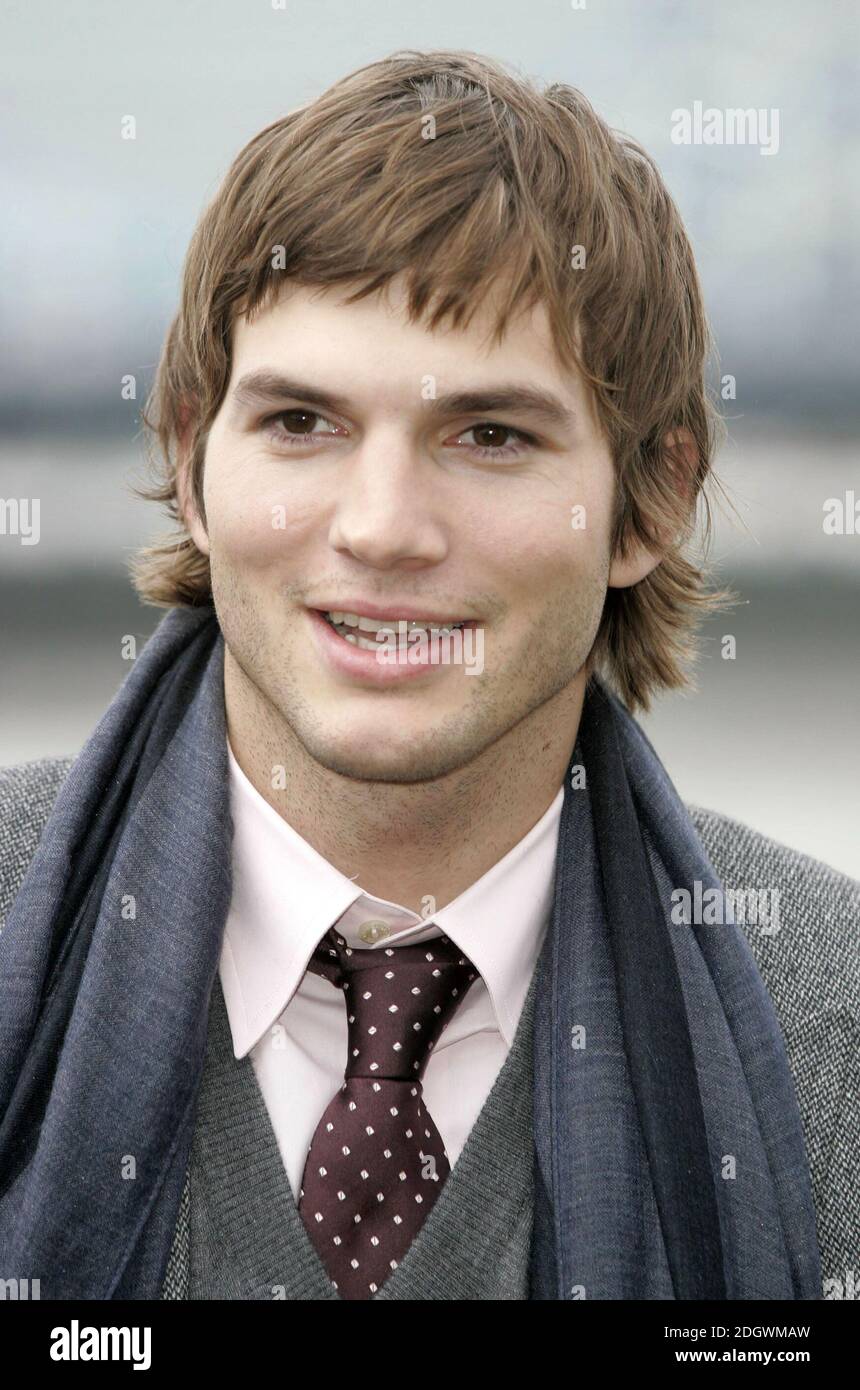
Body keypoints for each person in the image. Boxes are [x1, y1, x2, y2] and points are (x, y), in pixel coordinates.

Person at [0, 49, 855, 1302]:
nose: (383, 525)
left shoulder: (829, 1033)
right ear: (189, 459)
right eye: (301, 423)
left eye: (489, 435)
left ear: (649, 502)